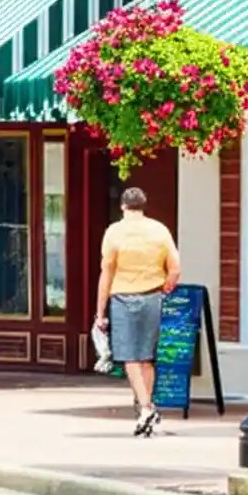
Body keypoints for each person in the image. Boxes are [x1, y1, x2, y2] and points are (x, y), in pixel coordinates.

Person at [95, 187, 181, 437]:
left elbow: (107, 272)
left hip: (123, 296)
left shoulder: (114, 232)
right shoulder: (159, 230)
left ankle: (145, 407)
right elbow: (175, 267)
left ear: (123, 206)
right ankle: (146, 407)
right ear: (143, 206)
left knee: (130, 357)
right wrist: (166, 287)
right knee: (146, 357)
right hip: (152, 295)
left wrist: (100, 312)